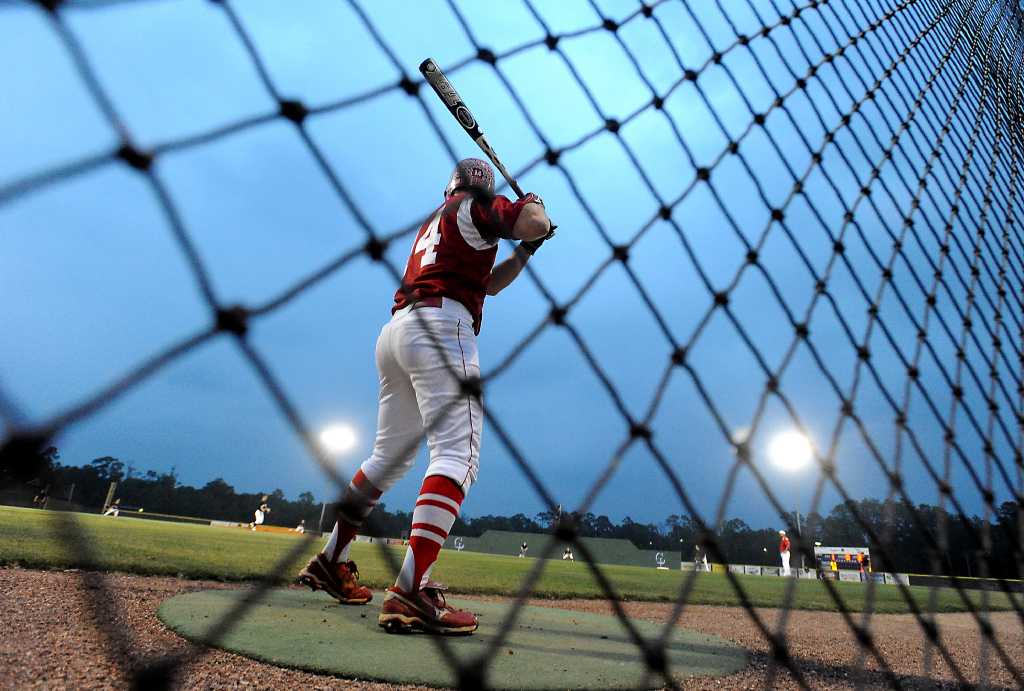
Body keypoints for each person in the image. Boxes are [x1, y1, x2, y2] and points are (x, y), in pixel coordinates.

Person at [297, 158, 552, 635]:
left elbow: (488, 284)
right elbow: (530, 220)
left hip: (398, 331)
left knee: (387, 457)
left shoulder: (440, 219)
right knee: (459, 454)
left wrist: (527, 252)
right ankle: (411, 590)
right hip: (441, 328)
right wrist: (533, 203)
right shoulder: (477, 205)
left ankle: (332, 559)